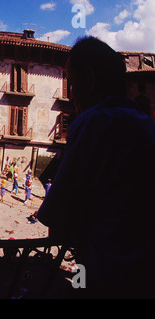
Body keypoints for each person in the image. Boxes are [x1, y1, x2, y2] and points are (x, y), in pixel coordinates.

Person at [36, 37, 155, 298]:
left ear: (89, 78)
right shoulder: (146, 124)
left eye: (71, 81)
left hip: (106, 272)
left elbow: (58, 217)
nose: (71, 90)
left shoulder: (93, 121)